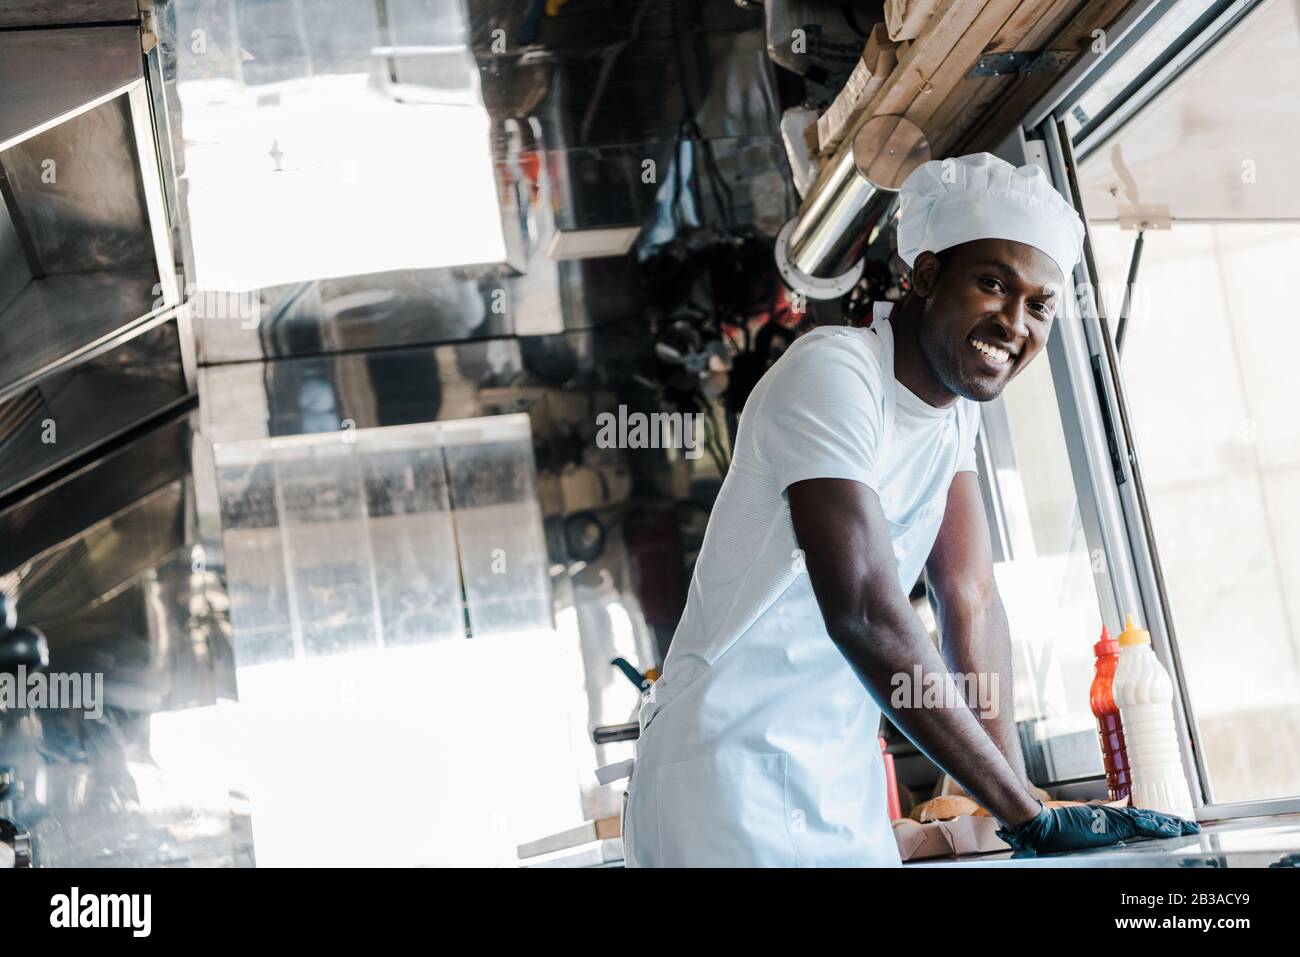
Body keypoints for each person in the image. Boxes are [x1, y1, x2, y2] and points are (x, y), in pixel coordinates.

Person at [617, 152, 1198, 866]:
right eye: (993, 284)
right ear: (926, 275)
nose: (1015, 322)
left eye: (1040, 305)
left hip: (834, 782)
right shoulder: (834, 373)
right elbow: (861, 607)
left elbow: (970, 596)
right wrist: (1024, 814)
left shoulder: (954, 414)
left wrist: (1018, 803)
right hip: (724, 779)